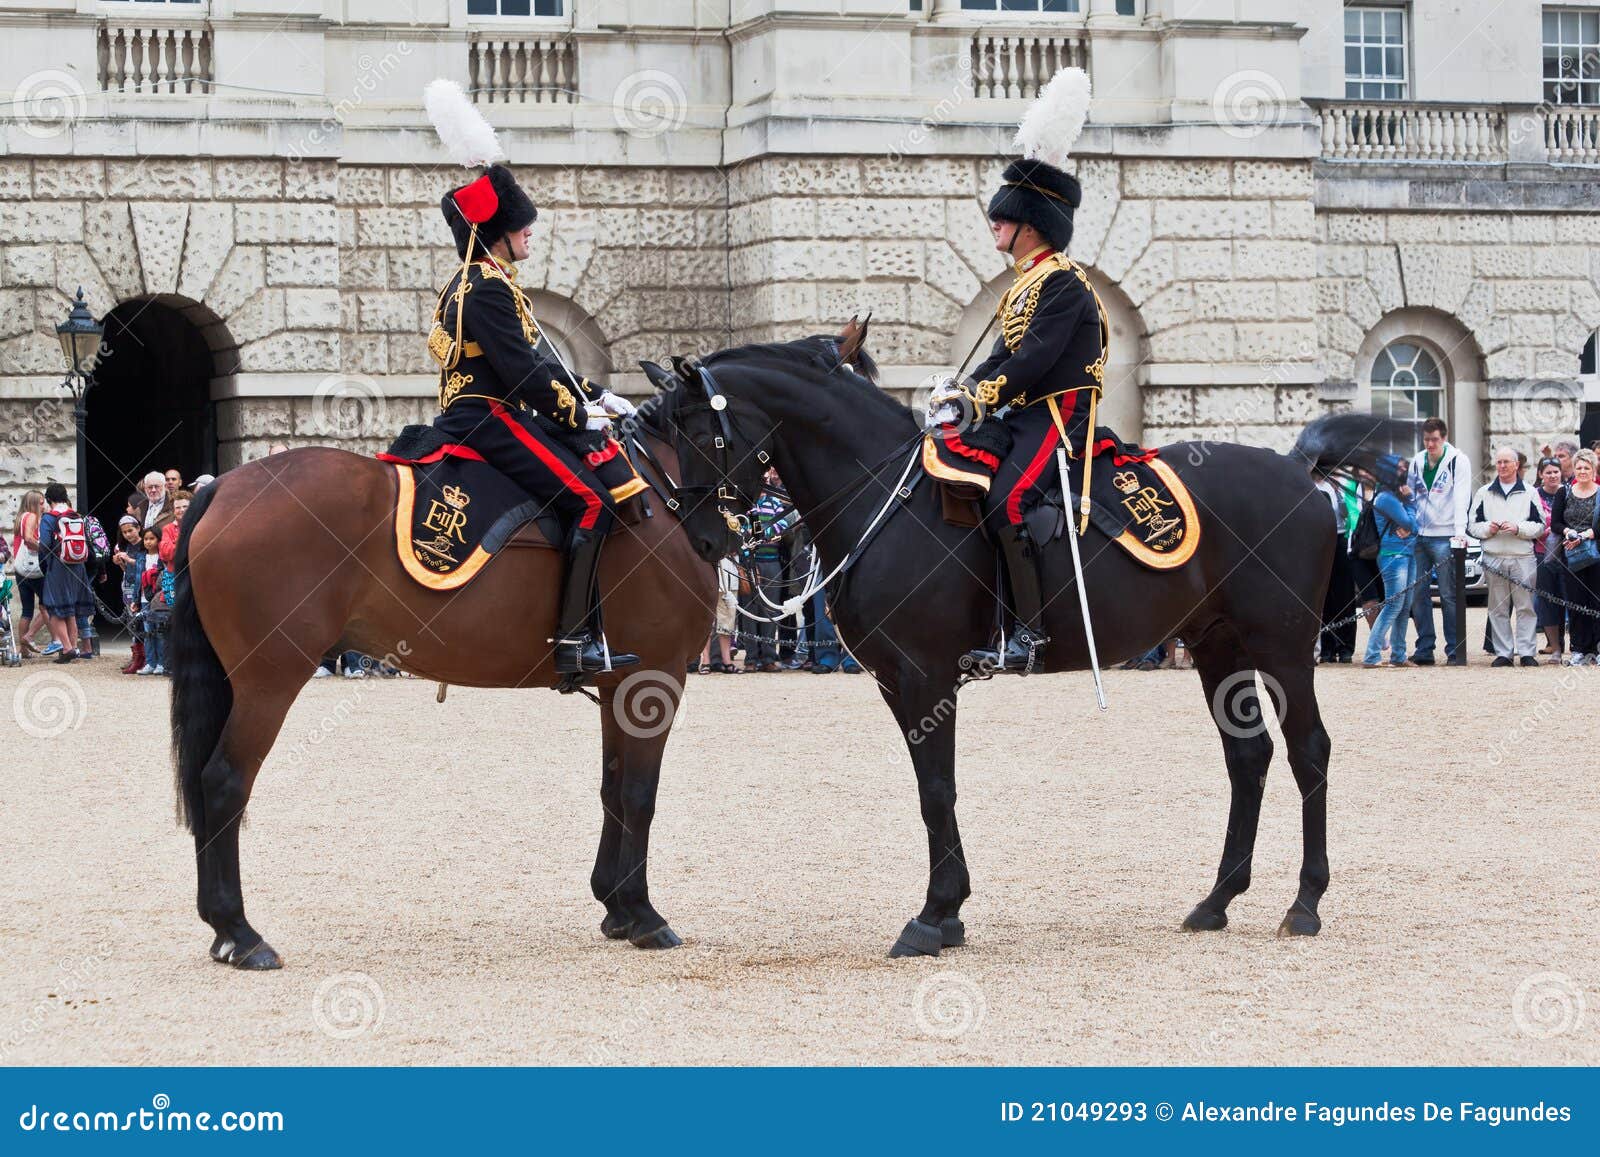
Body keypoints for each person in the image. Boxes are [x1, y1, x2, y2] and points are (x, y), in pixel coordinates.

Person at [423, 80, 646, 676]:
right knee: (593, 500)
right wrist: (579, 415)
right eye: (523, 227)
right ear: (497, 232)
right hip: (487, 418)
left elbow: (537, 362)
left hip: (491, 412)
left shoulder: (479, 285)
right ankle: (574, 640)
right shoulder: (487, 289)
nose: (530, 234)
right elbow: (522, 374)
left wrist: (597, 394)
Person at [922, 68, 1098, 674]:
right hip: (1023, 409)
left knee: (1010, 499)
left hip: (1060, 409)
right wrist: (962, 390)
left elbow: (1034, 362)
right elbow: (1000, 354)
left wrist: (984, 396)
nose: (993, 223)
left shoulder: (1064, 284)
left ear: (1031, 223)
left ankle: (1031, 634)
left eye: (1004, 217)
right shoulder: (1022, 287)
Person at [1468, 446, 1545, 667]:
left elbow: (1539, 525)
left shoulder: (1530, 492)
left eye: (1506, 462)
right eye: (1499, 462)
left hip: (1522, 556)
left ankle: (1527, 652)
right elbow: (1473, 525)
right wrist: (1488, 529)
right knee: (1497, 607)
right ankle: (1503, 653)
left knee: (1525, 606)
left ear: (1516, 465)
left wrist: (1518, 528)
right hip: (1494, 557)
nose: (1501, 466)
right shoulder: (1484, 492)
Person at [1405, 417, 1471, 665]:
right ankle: (1425, 647)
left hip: (1446, 535)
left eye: (1435, 439)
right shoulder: (1417, 460)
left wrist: (1459, 531)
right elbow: (1410, 496)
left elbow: (1461, 496)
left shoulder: (1458, 460)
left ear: (1444, 438)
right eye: (1427, 439)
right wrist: (1410, 526)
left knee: (1448, 594)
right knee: (1417, 593)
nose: (1430, 444)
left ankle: (1454, 648)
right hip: (1420, 535)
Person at [1362, 457, 1419, 668]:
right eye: (1400, 468)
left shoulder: (1397, 497)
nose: (1404, 471)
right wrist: (1412, 504)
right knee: (1393, 605)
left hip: (1407, 553)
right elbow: (1410, 523)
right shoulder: (1387, 498)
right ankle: (1371, 655)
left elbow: (1416, 524)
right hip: (1393, 556)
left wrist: (1412, 521)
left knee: (1404, 607)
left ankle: (1399, 655)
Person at [35, 483, 95, 665]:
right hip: (77, 566)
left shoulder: (49, 517)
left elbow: (44, 544)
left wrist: (45, 565)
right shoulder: (76, 516)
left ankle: (67, 649)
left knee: (53, 608)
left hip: (58, 566)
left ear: (48, 499)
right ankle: (74, 648)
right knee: (71, 609)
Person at [1551, 448, 1600, 665]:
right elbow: (1555, 523)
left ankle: (1597, 648)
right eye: (1579, 467)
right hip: (1571, 554)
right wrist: (1569, 533)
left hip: (1596, 553)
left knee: (1597, 601)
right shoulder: (1564, 492)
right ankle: (1579, 648)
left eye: (1586, 468)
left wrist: (1585, 535)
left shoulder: (1599, 492)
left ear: (1594, 469)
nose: (1582, 471)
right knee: (1576, 601)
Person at [1314, 470, 1356, 663]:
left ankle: (1345, 646)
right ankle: (1327, 647)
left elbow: (1348, 512)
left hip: (1340, 539)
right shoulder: (1312, 485)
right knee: (1324, 597)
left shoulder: (1341, 485)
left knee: (1344, 595)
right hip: (1319, 541)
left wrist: (1339, 492)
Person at [1532, 457, 1568, 660]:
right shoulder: (1534, 495)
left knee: (1569, 598)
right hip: (1541, 553)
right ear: (1540, 475)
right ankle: (1555, 648)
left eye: (1556, 471)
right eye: (1548, 472)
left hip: (1567, 553)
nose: (1553, 475)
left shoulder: (1568, 492)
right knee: (1547, 600)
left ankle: (1579, 645)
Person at [11, 490, 48, 657]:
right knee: (48, 605)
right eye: (41, 502)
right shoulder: (32, 517)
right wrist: (46, 549)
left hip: (21, 569)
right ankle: (29, 636)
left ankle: (23, 649)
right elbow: (28, 538)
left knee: (27, 609)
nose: (43, 505)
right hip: (34, 568)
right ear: (34, 503)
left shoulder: (21, 517)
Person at [112, 515, 147, 674]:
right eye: (125, 532)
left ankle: (144, 658)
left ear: (138, 528)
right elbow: (128, 571)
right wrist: (121, 563)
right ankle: (136, 658)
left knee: (140, 621)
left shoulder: (144, 543)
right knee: (131, 622)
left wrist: (128, 558)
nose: (128, 535)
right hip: (127, 585)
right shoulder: (125, 547)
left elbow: (144, 565)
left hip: (140, 588)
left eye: (131, 530)